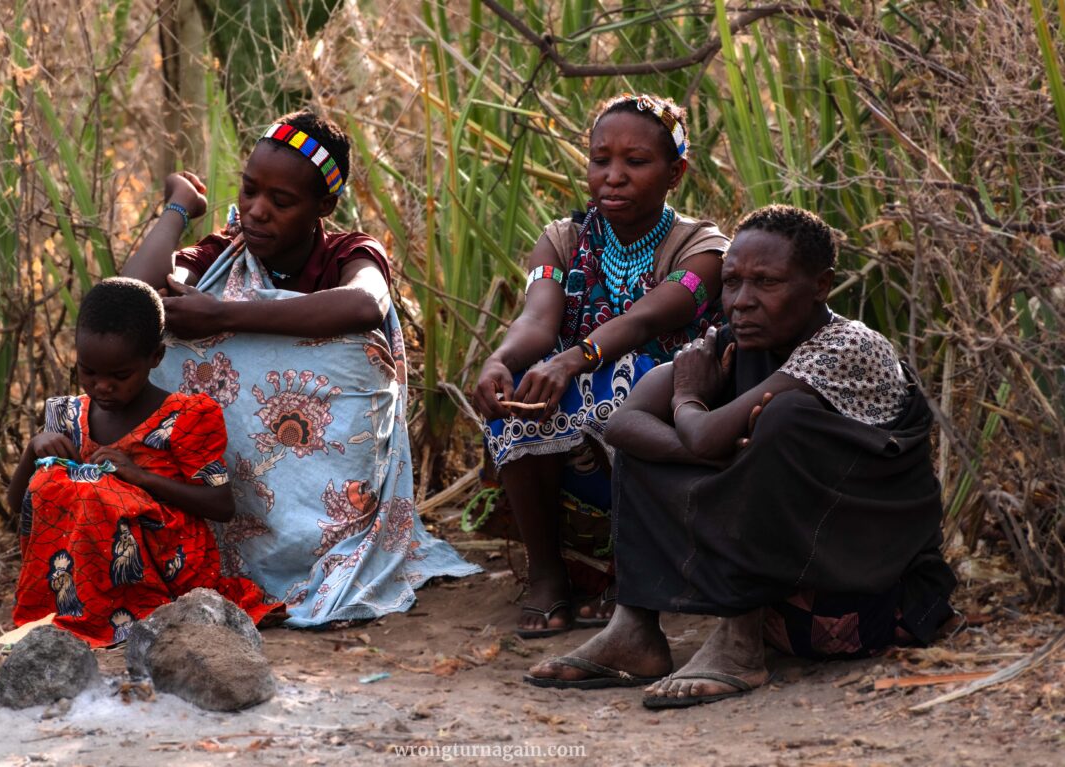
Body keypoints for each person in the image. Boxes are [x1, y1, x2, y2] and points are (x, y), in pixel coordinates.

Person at [525, 204, 956, 707]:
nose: (742, 302)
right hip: (785, 572)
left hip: (861, 584)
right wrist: (715, 452)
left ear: (821, 286)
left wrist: (689, 400)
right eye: (732, 283)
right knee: (649, 442)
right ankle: (634, 631)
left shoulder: (847, 346)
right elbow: (624, 423)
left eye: (766, 283)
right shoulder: (740, 341)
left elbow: (706, 434)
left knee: (783, 419)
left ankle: (739, 641)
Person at [120, 109, 478, 628]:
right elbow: (132, 299)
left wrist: (223, 316)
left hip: (330, 504)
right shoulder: (227, 251)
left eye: (280, 201)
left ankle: (309, 549)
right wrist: (179, 207)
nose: (256, 211)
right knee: (163, 334)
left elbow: (363, 306)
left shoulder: (349, 253)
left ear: (323, 206)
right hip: (228, 491)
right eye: (248, 191)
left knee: (354, 347)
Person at [471, 94, 729, 638]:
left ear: (675, 172)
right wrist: (501, 360)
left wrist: (571, 361)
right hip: (582, 451)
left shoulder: (703, 249)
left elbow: (643, 322)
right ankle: (547, 574)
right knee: (520, 392)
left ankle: (633, 572)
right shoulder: (563, 239)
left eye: (635, 163)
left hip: (671, 431)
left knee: (632, 378)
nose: (612, 177)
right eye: (600, 160)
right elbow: (537, 320)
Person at [9, 277, 281, 646]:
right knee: (53, 482)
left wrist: (139, 477)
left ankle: (124, 617)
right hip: (75, 575)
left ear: (155, 357)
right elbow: (20, 505)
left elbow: (221, 506)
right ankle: (75, 613)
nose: (102, 386)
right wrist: (32, 450)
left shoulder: (186, 417)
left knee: (96, 494)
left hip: (167, 564)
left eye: (120, 376)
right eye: (88, 371)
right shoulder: (67, 417)